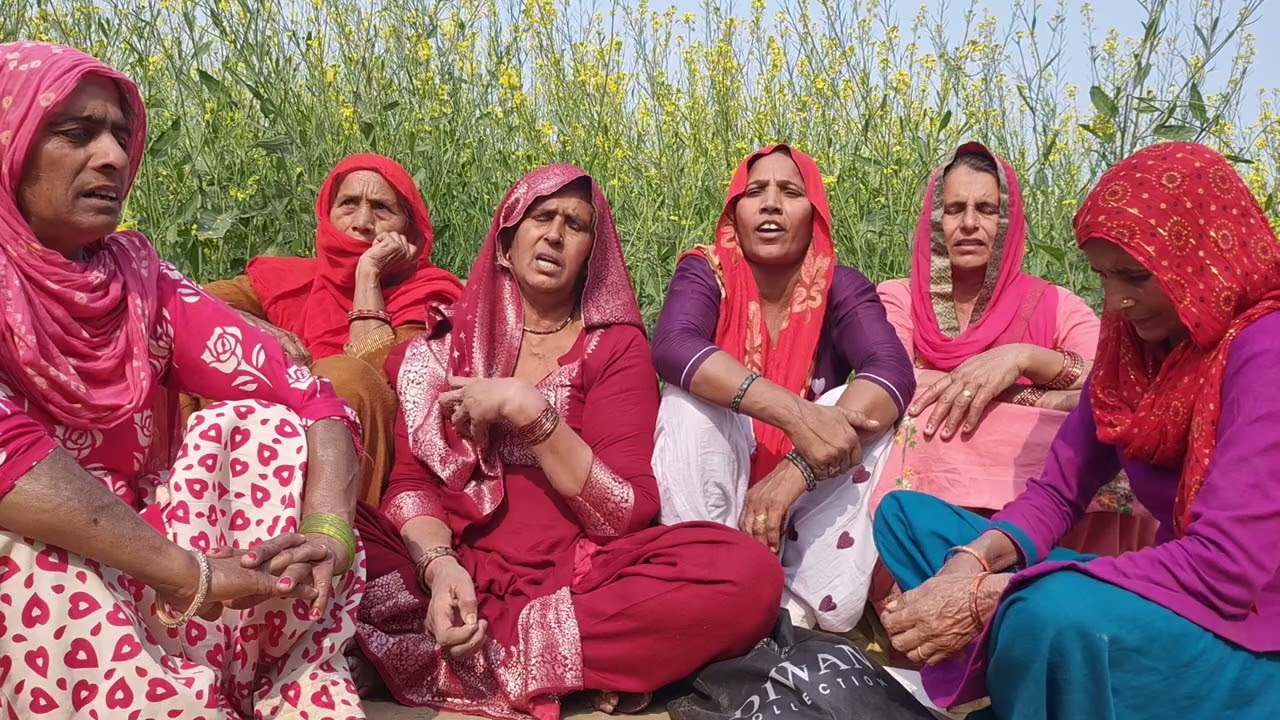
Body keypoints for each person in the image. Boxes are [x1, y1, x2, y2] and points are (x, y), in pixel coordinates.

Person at [0, 42, 364, 718]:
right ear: (10, 143)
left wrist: (328, 531)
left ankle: (261, 681)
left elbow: (313, 398)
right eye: (76, 133)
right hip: (50, 578)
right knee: (28, 545)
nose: (113, 157)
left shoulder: (136, 283)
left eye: (120, 134)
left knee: (262, 429)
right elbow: (11, 465)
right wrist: (191, 573)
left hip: (150, 564)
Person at [352, 164, 783, 719]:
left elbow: (625, 512)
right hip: (446, 568)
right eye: (541, 216)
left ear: (590, 259)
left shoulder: (615, 347)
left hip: (576, 579)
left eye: (576, 225)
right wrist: (440, 569)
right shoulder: (443, 345)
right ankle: (559, 671)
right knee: (326, 525)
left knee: (746, 573)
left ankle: (452, 658)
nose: (555, 234)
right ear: (507, 240)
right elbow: (412, 484)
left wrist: (530, 411)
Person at [873, 142, 1280, 719]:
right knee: (908, 518)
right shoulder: (1132, 348)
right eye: (1104, 277)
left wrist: (997, 594)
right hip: (1166, 590)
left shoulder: (1267, 350)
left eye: (1135, 276)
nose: (1115, 301)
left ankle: (1035, 658)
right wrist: (970, 566)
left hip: (1246, 631)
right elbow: (1058, 492)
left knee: (1043, 608)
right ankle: (1036, 664)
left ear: (1202, 259)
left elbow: (1224, 568)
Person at [650, 144, 915, 633]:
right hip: (721, 502)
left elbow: (892, 371)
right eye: (755, 192)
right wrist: (795, 413)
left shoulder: (840, 284)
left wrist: (794, 469)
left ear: (813, 214)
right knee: (687, 402)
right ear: (736, 212)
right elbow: (672, 345)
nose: (770, 203)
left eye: (790, 192)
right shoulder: (706, 271)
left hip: (803, 500)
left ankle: (798, 608)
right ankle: (705, 581)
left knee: (862, 410)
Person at [874, 142, 1155, 556]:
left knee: (1107, 431)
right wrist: (1040, 398)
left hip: (1053, 512)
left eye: (987, 210)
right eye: (954, 209)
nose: (969, 223)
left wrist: (1021, 357)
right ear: (933, 220)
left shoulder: (1055, 304)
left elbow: (1116, 381)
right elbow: (897, 382)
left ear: (1009, 220)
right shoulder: (897, 299)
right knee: (916, 420)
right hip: (927, 501)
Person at [203, 154, 463, 504]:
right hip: (265, 447)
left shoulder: (430, 295)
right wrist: (260, 331)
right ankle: (202, 507)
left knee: (340, 375)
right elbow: (192, 305)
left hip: (375, 459)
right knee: (207, 345)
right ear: (327, 214)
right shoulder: (287, 280)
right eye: (349, 205)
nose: (362, 222)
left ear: (409, 228)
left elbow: (375, 373)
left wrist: (368, 275)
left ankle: (340, 531)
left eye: (382, 209)